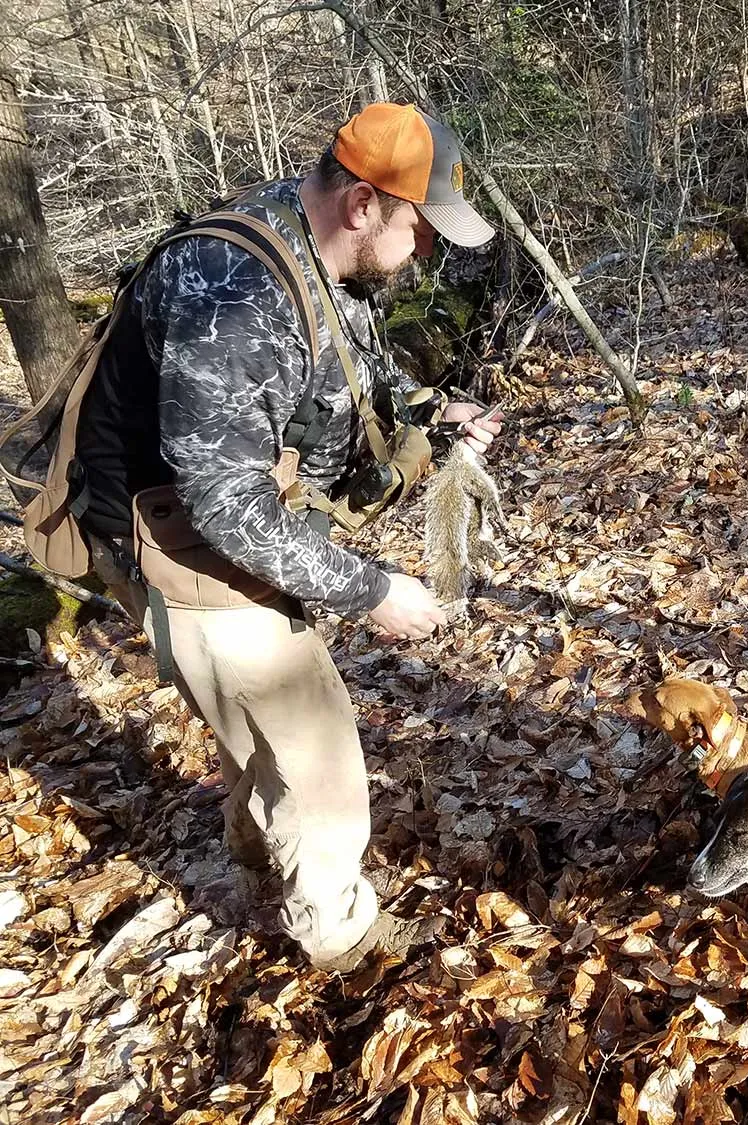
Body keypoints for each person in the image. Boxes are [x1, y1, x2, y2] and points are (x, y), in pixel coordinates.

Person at [71, 103, 503, 970]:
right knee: (322, 755)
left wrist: (429, 414)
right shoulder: (234, 293)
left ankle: (259, 859)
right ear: (362, 205)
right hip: (188, 550)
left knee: (255, 732)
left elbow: (341, 370)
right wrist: (374, 589)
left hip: (226, 532)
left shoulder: (317, 253)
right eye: (421, 230)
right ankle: (346, 945)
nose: (427, 256)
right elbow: (227, 506)